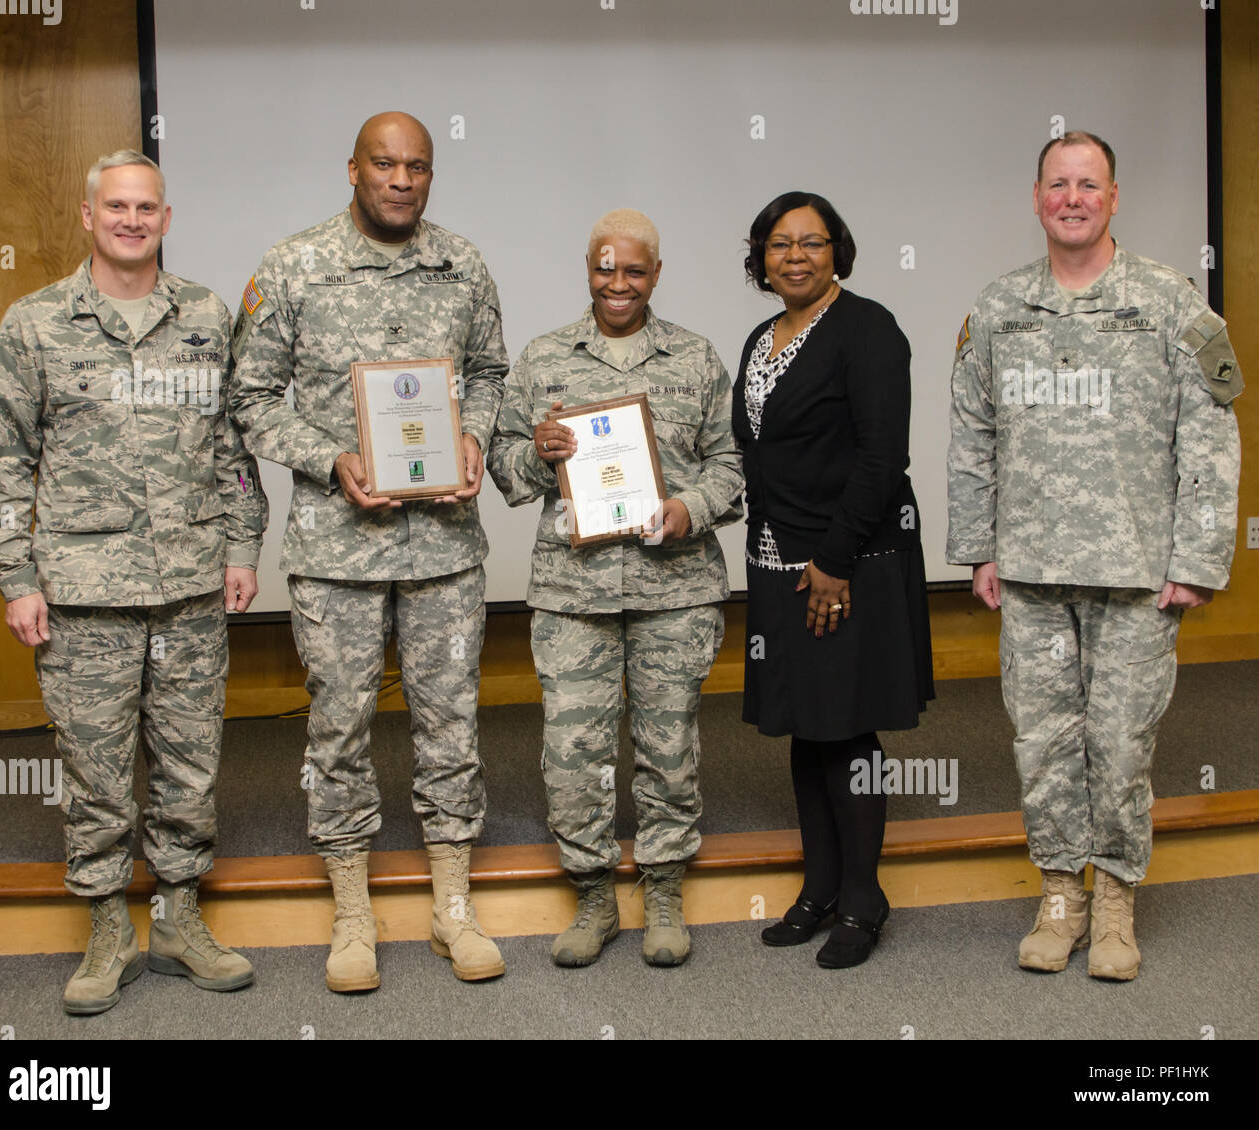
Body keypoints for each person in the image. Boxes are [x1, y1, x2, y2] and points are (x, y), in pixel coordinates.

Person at [0, 149, 267, 1014]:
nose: (133, 220)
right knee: (94, 771)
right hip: (82, 595)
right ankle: (106, 926)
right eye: (117, 207)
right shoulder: (37, 323)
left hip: (189, 592)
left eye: (148, 207)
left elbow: (230, 449)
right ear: (88, 218)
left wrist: (242, 548)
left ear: (166, 220)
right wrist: (17, 576)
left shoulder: (207, 316)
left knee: (190, 764)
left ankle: (177, 919)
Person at [947, 131, 1243, 981]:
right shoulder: (1000, 308)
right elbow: (972, 436)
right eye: (1057, 185)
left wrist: (1196, 557)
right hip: (1032, 572)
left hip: (1138, 577)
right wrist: (977, 549)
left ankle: (1113, 899)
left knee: (1120, 745)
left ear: (1115, 198)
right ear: (1035, 197)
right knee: (1041, 742)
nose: (1071, 199)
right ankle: (1058, 896)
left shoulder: (1169, 303)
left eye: (1089, 185)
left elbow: (1212, 441)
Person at [229, 112, 509, 989]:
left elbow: (493, 374)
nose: (400, 180)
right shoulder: (293, 267)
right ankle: (352, 912)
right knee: (338, 727)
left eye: (417, 167)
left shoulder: (462, 264)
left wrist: (476, 437)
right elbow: (250, 396)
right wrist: (332, 458)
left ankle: (452, 907)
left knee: (451, 721)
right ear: (352, 168)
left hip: (444, 549)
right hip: (336, 550)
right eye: (384, 163)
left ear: (431, 176)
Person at [488, 209, 743, 967]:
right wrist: (536, 451)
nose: (619, 283)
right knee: (573, 752)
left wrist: (687, 509)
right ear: (588, 271)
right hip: (574, 595)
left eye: (635, 270)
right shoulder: (543, 360)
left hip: (676, 591)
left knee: (668, 749)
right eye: (606, 269)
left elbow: (733, 466)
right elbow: (502, 469)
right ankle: (593, 893)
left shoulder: (696, 358)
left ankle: (664, 888)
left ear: (656, 275)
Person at [735, 191, 934, 969]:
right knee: (804, 722)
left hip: (848, 563)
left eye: (812, 243)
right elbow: (763, 450)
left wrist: (833, 562)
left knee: (846, 725)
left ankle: (863, 898)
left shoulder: (868, 330)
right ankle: (818, 890)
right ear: (760, 257)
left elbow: (885, 459)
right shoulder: (762, 337)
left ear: (837, 251)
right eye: (779, 244)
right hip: (779, 561)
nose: (795, 256)